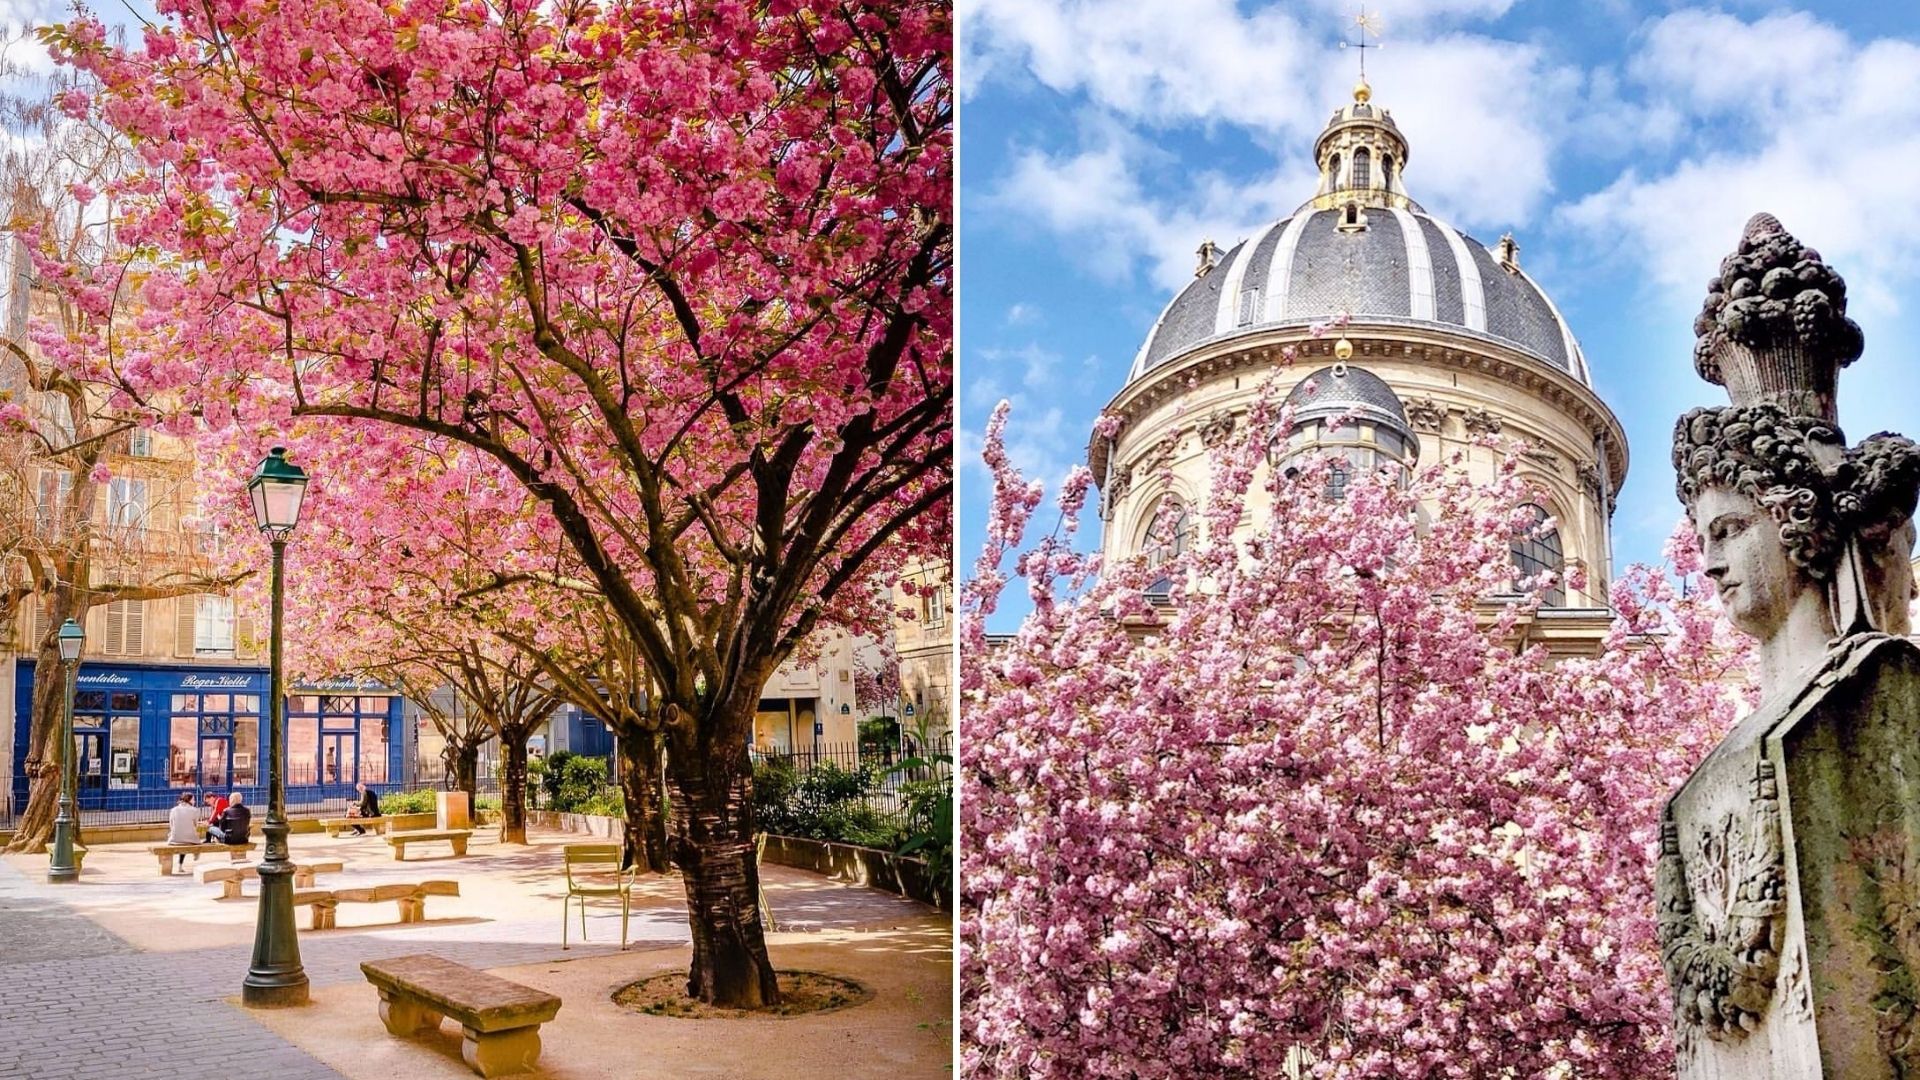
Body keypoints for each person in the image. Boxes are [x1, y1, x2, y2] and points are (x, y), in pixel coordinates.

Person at [165, 792, 199, 870]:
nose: (195, 801)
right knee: (190, 838)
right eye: (193, 799)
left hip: (174, 839)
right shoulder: (194, 810)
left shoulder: (173, 810)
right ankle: (196, 853)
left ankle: (180, 865)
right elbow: (195, 825)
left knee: (182, 837)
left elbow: (171, 824)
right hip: (190, 839)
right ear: (189, 800)